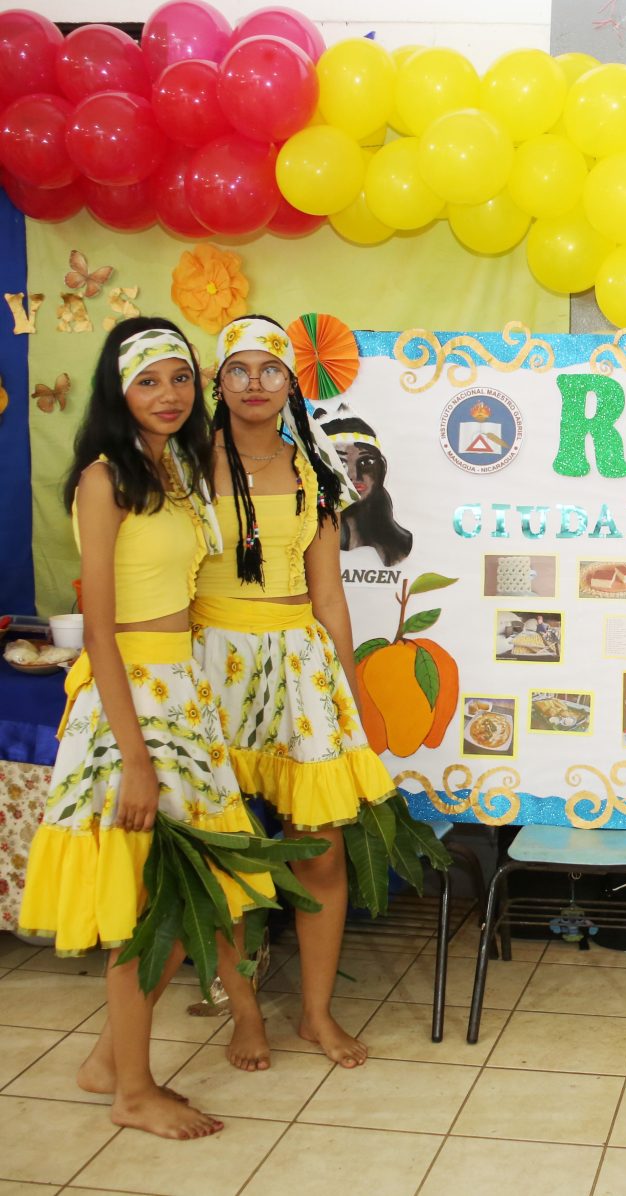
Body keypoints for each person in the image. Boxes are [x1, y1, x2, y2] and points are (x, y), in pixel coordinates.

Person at [18, 317, 277, 1138]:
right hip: (129, 702)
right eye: (147, 381)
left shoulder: (179, 470)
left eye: (177, 378)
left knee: (195, 896)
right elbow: (98, 625)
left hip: (183, 697)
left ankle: (108, 1062)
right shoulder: (105, 478)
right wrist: (134, 757)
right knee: (147, 907)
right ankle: (133, 1091)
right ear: (118, 390)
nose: (167, 396)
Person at [192, 315, 392, 1070]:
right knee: (226, 849)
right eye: (237, 369)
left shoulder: (314, 467)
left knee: (321, 851)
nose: (253, 383)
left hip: (298, 670)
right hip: (211, 666)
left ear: (291, 383)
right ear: (218, 381)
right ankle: (245, 1014)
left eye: (268, 369)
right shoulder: (182, 467)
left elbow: (330, 595)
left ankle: (315, 1013)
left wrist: (351, 694)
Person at [319, 411, 413, 567]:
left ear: (381, 468)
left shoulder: (398, 545)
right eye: (340, 463)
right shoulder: (308, 541)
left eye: (365, 462)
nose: (353, 475)